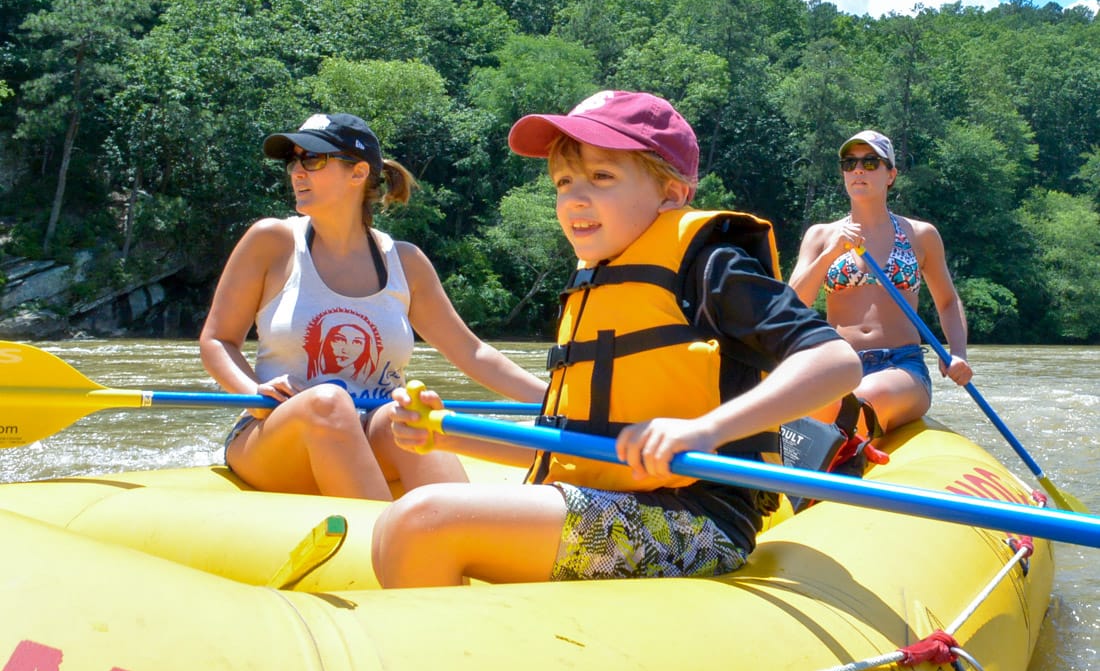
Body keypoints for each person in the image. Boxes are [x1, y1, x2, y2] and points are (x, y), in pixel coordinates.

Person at [370, 91, 862, 588]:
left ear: (671, 194)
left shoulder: (711, 265)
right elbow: (564, 449)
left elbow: (836, 362)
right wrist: (444, 433)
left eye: (602, 177)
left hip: (697, 523)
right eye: (564, 181)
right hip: (605, 500)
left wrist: (704, 431)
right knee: (405, 521)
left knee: (422, 523)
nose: (575, 198)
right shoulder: (595, 282)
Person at [199, 111, 547, 500]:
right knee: (328, 402)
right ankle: (382, 545)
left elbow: (474, 353)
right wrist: (255, 392)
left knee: (405, 415)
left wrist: (558, 401)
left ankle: (467, 542)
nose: (297, 172)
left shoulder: (406, 262)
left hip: (370, 433)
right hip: (274, 436)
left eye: (312, 160)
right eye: (293, 161)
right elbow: (217, 340)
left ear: (358, 172)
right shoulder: (271, 241)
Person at [788, 130, 973, 434]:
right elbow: (793, 304)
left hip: (901, 366)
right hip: (837, 363)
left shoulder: (921, 234)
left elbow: (948, 301)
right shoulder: (821, 236)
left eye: (871, 162)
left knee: (859, 401)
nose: (858, 170)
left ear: (891, 175)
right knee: (808, 406)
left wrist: (958, 354)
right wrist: (830, 254)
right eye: (850, 163)